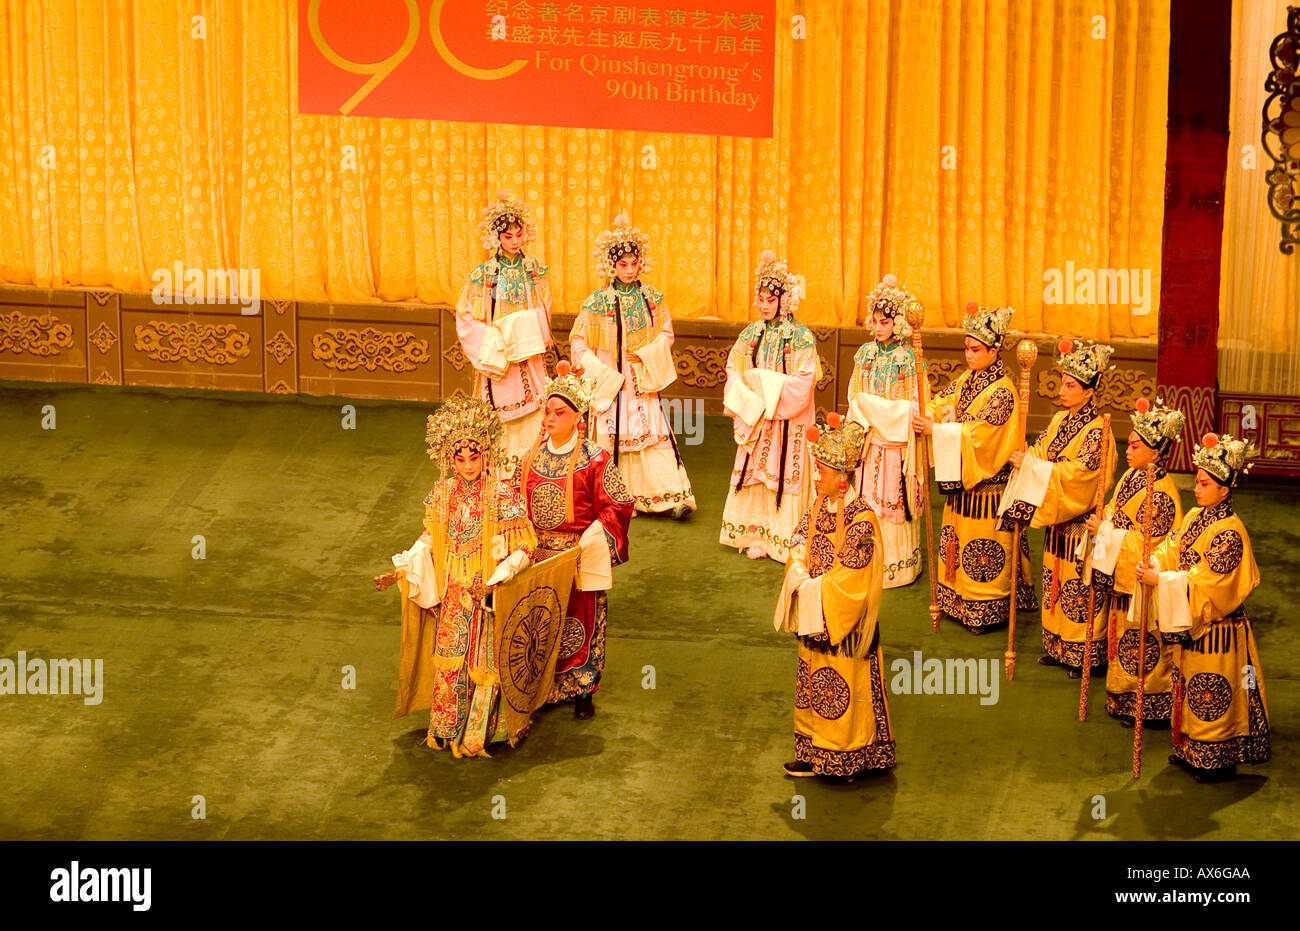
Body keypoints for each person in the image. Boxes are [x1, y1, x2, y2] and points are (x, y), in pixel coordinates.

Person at [377, 397, 537, 758]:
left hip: (485, 591)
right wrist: (403, 568)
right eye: (459, 459)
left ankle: (481, 733)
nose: (467, 465)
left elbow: (526, 544)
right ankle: (447, 727)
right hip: (452, 591)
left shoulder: (500, 495)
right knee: (450, 658)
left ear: (487, 456)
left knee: (483, 660)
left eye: (474, 457)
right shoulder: (442, 494)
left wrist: (498, 577)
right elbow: (429, 540)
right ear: (448, 459)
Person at [1138, 434, 1269, 782]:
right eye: (1196, 481)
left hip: (1218, 629)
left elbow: (1209, 583)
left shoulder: (1230, 533)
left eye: (1205, 484)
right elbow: (1172, 548)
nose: (1197, 489)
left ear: (1224, 490)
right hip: (1193, 625)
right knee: (1188, 685)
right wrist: (1154, 562)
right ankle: (1188, 747)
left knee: (1213, 690)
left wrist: (1160, 581)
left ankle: (1217, 758)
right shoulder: (1196, 515)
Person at [774, 413, 895, 784]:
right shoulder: (816, 506)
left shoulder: (863, 520)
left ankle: (847, 755)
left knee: (843, 686)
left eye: (823, 470)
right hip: (815, 613)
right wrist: (797, 572)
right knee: (814, 683)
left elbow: (853, 579)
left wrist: (811, 588)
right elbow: (797, 542)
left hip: (841, 622)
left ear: (843, 476)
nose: (817, 476)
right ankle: (813, 751)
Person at [515, 360, 635, 719]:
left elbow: (619, 503)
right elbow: (514, 500)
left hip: (578, 554)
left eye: (558, 413)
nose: (549, 419)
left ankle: (583, 688)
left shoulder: (594, 459)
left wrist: (594, 539)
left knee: (578, 622)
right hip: (537, 554)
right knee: (541, 621)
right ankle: (543, 686)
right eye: (547, 412)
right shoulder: (530, 456)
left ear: (577, 417)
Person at [910, 303, 1035, 632]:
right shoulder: (968, 379)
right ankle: (955, 596)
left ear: (994, 351)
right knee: (956, 541)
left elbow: (983, 437)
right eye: (966, 348)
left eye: (976, 349)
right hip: (962, 482)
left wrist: (936, 431)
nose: (969, 354)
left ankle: (984, 604)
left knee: (982, 550)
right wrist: (931, 415)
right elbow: (943, 400)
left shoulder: (1004, 391)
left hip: (987, 486)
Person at [570, 213, 695, 518]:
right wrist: (603, 375)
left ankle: (666, 497)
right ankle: (616, 498)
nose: (628, 270)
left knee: (652, 438)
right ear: (611, 265)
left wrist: (649, 354)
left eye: (633, 263)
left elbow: (666, 334)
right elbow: (578, 343)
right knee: (612, 439)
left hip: (641, 381)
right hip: (612, 383)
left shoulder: (651, 300)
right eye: (622, 264)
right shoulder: (596, 303)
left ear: (641, 263)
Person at [1007, 338, 1117, 677]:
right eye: (1063, 383)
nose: (1063, 390)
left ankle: (1084, 653)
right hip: (1056, 522)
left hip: (1079, 523)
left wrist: (1036, 469)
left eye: (1072, 385)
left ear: (1088, 392)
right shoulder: (1058, 421)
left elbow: (1081, 476)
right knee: (1055, 580)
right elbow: (1041, 452)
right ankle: (1056, 645)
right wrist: (1025, 461)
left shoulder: (1100, 431)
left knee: (1079, 587)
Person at [1088, 398, 1185, 726]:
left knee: (1142, 642)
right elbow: (1116, 510)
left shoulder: (1161, 495)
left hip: (1142, 581)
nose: (1127, 450)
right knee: (1125, 639)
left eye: (1134, 445)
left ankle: (1150, 703)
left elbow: (1147, 545)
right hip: (1122, 578)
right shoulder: (1132, 475)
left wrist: (1104, 530)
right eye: (1127, 444)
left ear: (1155, 453)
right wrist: (1106, 521)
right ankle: (1122, 696)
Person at [719, 250, 818, 562]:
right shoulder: (751, 334)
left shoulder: (801, 337)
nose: (763, 305)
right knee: (756, 472)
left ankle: (785, 537)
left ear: (784, 301)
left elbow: (804, 381)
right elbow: (734, 369)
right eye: (760, 299)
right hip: (759, 417)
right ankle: (755, 532)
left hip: (785, 419)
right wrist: (752, 396)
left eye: (769, 300)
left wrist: (765, 388)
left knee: (783, 471)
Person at [455, 190, 553, 481]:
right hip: (499, 358)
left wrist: (521, 331)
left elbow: (543, 310)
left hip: (528, 357)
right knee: (495, 414)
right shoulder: (484, 275)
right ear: (496, 237)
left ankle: (534, 471)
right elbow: (466, 316)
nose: (514, 241)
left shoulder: (533, 272)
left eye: (518, 235)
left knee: (535, 410)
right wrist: (498, 338)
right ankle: (497, 474)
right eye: (507, 236)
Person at [847, 273, 920, 588]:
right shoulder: (864, 354)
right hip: (869, 438)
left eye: (885, 322)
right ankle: (864, 559)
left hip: (892, 441)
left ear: (898, 323)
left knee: (891, 496)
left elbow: (912, 401)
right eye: (875, 321)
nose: (878, 328)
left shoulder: (907, 358)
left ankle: (895, 563)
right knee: (865, 495)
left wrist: (885, 414)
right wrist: (865, 414)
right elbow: (854, 392)